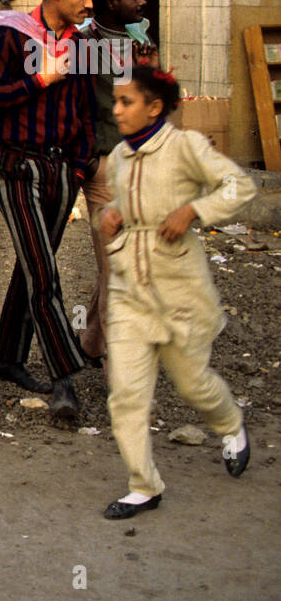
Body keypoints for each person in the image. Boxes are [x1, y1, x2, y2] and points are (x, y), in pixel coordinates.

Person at [96, 67, 256, 519]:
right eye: (117, 101)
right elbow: (122, 208)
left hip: (180, 288)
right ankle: (144, 485)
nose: (118, 109)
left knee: (193, 384)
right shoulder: (120, 157)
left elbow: (239, 185)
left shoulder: (186, 147)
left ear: (154, 107)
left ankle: (230, 424)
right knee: (125, 393)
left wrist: (194, 210)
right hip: (130, 288)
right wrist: (109, 217)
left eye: (128, 101)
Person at [0, 0, 97, 419]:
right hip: (17, 169)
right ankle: (64, 379)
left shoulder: (81, 45)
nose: (89, 2)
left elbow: (85, 111)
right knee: (45, 274)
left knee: (33, 266)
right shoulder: (12, 35)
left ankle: (6, 358)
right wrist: (41, 78)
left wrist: (81, 166)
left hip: (62, 172)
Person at [77, 0, 159, 366]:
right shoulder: (86, 44)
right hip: (105, 163)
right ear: (112, 3)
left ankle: (92, 343)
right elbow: (80, 103)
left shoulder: (135, 40)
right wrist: (89, 157)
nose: (142, 2)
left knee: (116, 260)